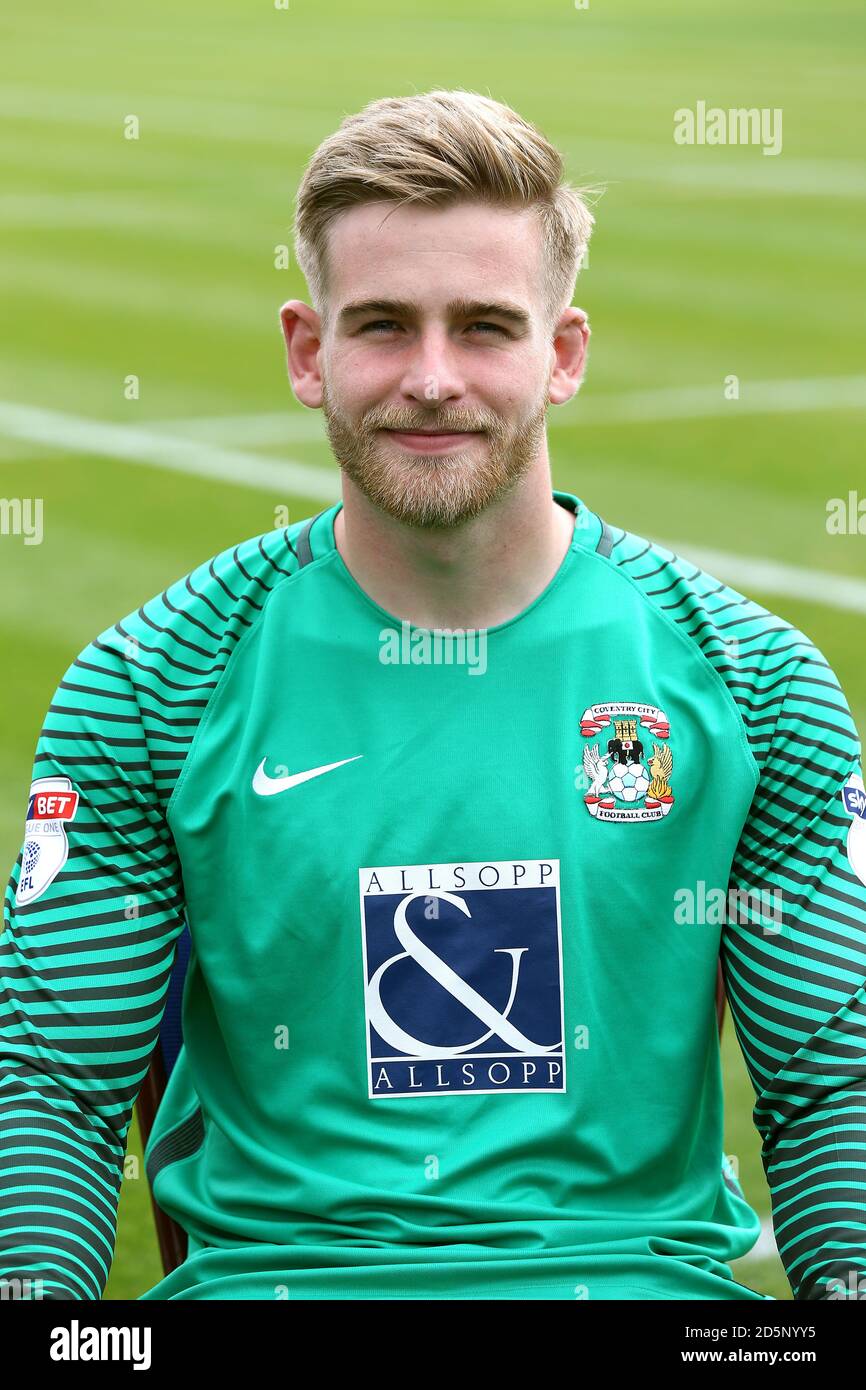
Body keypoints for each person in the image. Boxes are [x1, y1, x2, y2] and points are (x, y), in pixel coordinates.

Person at [2, 89, 865, 1303]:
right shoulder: (152, 682)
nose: (430, 378)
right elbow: (49, 1082)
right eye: (382, 327)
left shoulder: (752, 683)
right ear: (308, 352)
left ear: (560, 353)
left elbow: (834, 1086)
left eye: (483, 327)